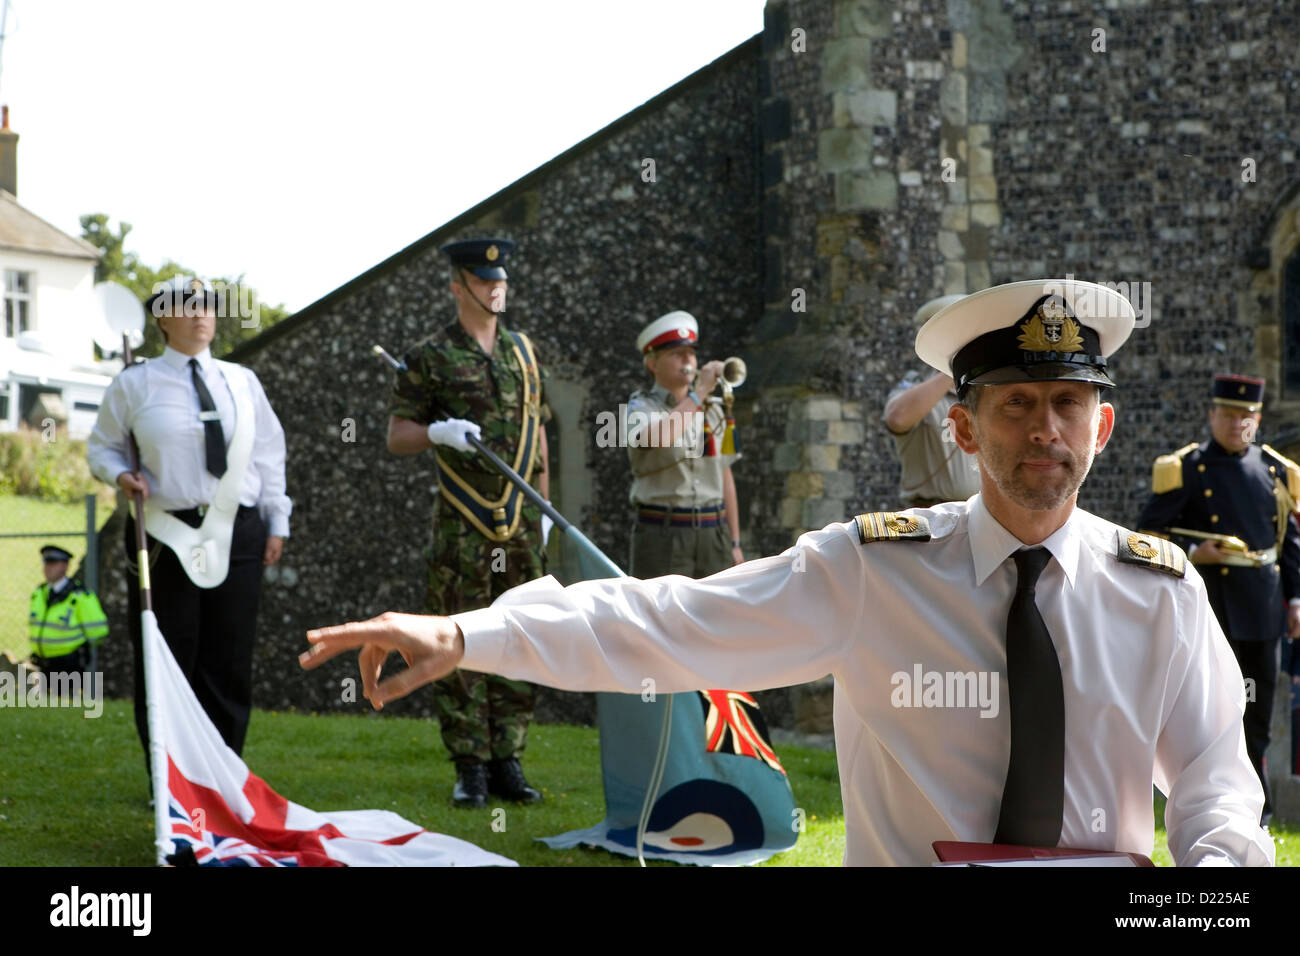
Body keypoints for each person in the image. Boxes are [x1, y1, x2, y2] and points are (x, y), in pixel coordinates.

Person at [305, 279, 1274, 866]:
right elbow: (668, 621)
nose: (1044, 428)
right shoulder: (874, 570)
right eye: (1016, 403)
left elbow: (1210, 776)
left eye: (1068, 403)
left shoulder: (1158, 589)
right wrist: (470, 633)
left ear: (1100, 428)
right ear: (966, 427)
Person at [87, 276, 290, 760]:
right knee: (167, 659)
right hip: (162, 532)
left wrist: (276, 520)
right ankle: (171, 777)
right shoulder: (134, 383)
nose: (200, 314)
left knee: (229, 657)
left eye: (207, 305)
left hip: (238, 529)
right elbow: (103, 447)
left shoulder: (242, 381)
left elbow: (268, 453)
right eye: (186, 306)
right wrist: (120, 476)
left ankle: (224, 775)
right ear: (163, 319)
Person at [386, 237, 550, 808]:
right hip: (462, 524)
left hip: (523, 524)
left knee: (521, 635)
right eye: (483, 280)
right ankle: (470, 765)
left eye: (500, 278)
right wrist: (436, 432)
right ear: (458, 287)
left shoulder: (525, 353)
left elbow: (540, 435)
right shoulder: (429, 356)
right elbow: (397, 435)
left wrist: (545, 511)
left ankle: (509, 758)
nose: (495, 287)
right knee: (456, 636)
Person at [1136, 374, 1300, 824]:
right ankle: (1208, 802)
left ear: (1258, 419)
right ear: (1211, 415)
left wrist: (1296, 602)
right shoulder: (1186, 468)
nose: (1237, 423)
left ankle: (1258, 809)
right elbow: (1149, 534)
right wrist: (1194, 553)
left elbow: (1289, 543)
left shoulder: (1276, 471)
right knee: (1212, 710)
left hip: (1264, 607)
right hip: (1212, 604)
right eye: (1228, 414)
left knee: (1258, 710)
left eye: (1246, 415)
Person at [626, 310, 743, 577]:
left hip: (714, 533)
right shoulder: (640, 407)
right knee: (662, 617)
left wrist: (734, 542)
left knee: (718, 615)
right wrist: (700, 391)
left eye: (691, 353)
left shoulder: (712, 409)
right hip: (663, 534)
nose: (687, 360)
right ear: (652, 363)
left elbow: (725, 475)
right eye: (677, 354)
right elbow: (660, 437)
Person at [882, 293, 981, 508]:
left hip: (981, 515)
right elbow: (897, 419)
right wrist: (953, 369)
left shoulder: (986, 391)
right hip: (927, 513)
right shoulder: (917, 386)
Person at [27, 544, 108, 679]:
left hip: (69, 664)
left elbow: (98, 631)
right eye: (46, 563)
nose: (48, 568)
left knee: (65, 699)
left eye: (53, 563)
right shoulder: (39, 593)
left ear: (65, 566)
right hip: (41, 661)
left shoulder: (81, 596)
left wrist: (80, 649)